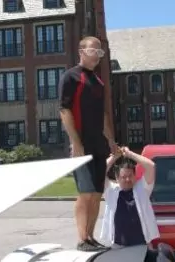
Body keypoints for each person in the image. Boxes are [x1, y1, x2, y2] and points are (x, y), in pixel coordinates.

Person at [58, 36, 117, 252]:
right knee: (86, 192)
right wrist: (76, 142)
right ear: (81, 51)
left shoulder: (99, 81)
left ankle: (91, 238)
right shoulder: (71, 77)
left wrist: (111, 140)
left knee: (96, 193)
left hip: (98, 144)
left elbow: (102, 115)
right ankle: (82, 238)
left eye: (101, 52)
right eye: (94, 50)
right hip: (82, 144)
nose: (98, 55)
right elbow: (64, 110)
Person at [100, 147, 160, 261]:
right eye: (123, 177)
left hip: (142, 246)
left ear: (135, 175)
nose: (127, 179)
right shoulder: (110, 191)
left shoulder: (143, 188)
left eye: (130, 176)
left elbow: (151, 166)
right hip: (117, 247)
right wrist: (115, 156)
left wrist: (130, 154)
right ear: (117, 178)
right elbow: (99, 171)